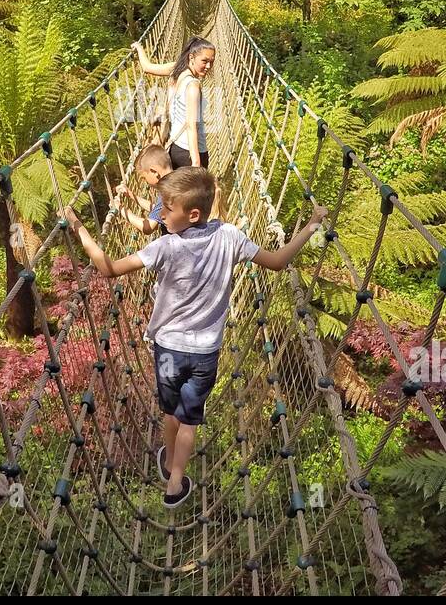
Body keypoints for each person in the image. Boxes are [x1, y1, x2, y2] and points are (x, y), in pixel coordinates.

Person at [65, 167, 328, 509]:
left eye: (166, 208)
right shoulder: (231, 236)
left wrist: (79, 228)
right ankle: (175, 483)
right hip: (205, 354)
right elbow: (277, 262)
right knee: (190, 417)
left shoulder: (164, 247)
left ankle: (168, 459)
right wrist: (311, 226)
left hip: (168, 350)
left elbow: (108, 268)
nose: (160, 213)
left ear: (192, 214)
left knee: (170, 412)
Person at [134, 37, 214, 170]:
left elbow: (147, 67)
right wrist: (195, 163)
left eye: (211, 62)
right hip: (191, 154)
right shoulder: (193, 85)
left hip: (174, 148)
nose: (208, 66)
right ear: (191, 57)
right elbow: (190, 125)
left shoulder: (176, 69)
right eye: (204, 61)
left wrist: (139, 47)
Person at [113, 145, 172, 236]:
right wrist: (131, 195)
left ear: (153, 171)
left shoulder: (167, 192)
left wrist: (122, 210)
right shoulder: (177, 181)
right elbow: (157, 208)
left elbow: (148, 227)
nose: (145, 181)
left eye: (144, 177)